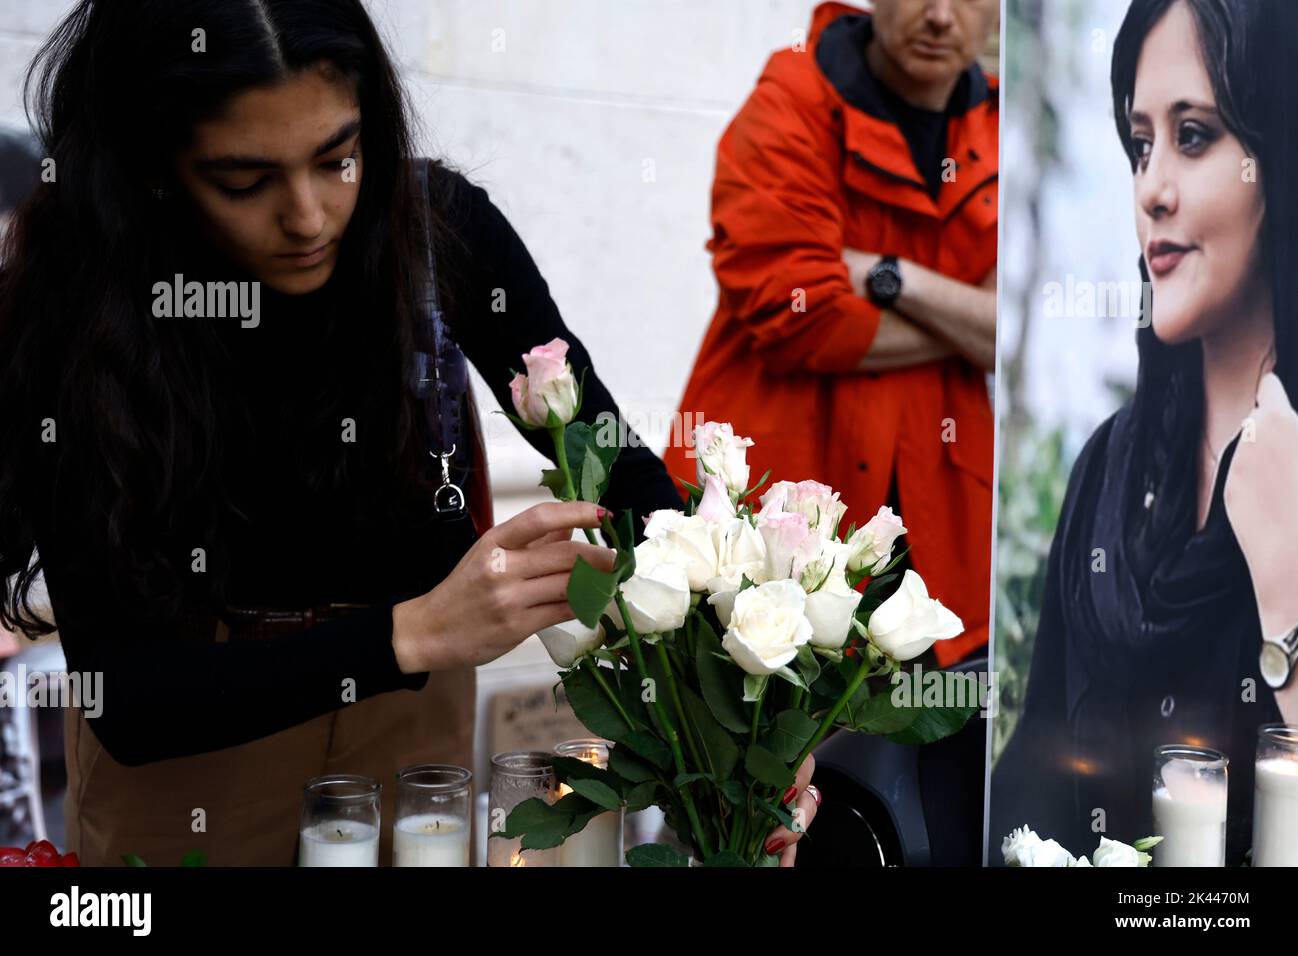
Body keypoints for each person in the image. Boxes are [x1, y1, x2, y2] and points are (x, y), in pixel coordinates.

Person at [0, 0, 823, 866]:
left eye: (338, 158)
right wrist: (417, 633)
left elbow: (616, 465)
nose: (310, 217)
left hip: (411, 737)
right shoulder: (86, 311)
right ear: (154, 170)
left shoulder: (434, 233)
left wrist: (749, 692)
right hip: (195, 749)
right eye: (245, 182)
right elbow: (129, 700)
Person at [991, 0, 1298, 865]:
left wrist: (1288, 589)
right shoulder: (1108, 474)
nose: (1152, 187)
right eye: (1140, 144)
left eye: (1194, 136)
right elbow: (1026, 792)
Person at [660, 0, 999, 668]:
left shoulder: (1003, 130)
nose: (940, 16)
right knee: (759, 751)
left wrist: (890, 275)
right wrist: (976, 322)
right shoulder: (792, 100)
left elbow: (1036, 330)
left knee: (933, 750)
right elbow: (799, 318)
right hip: (770, 514)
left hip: (946, 525)